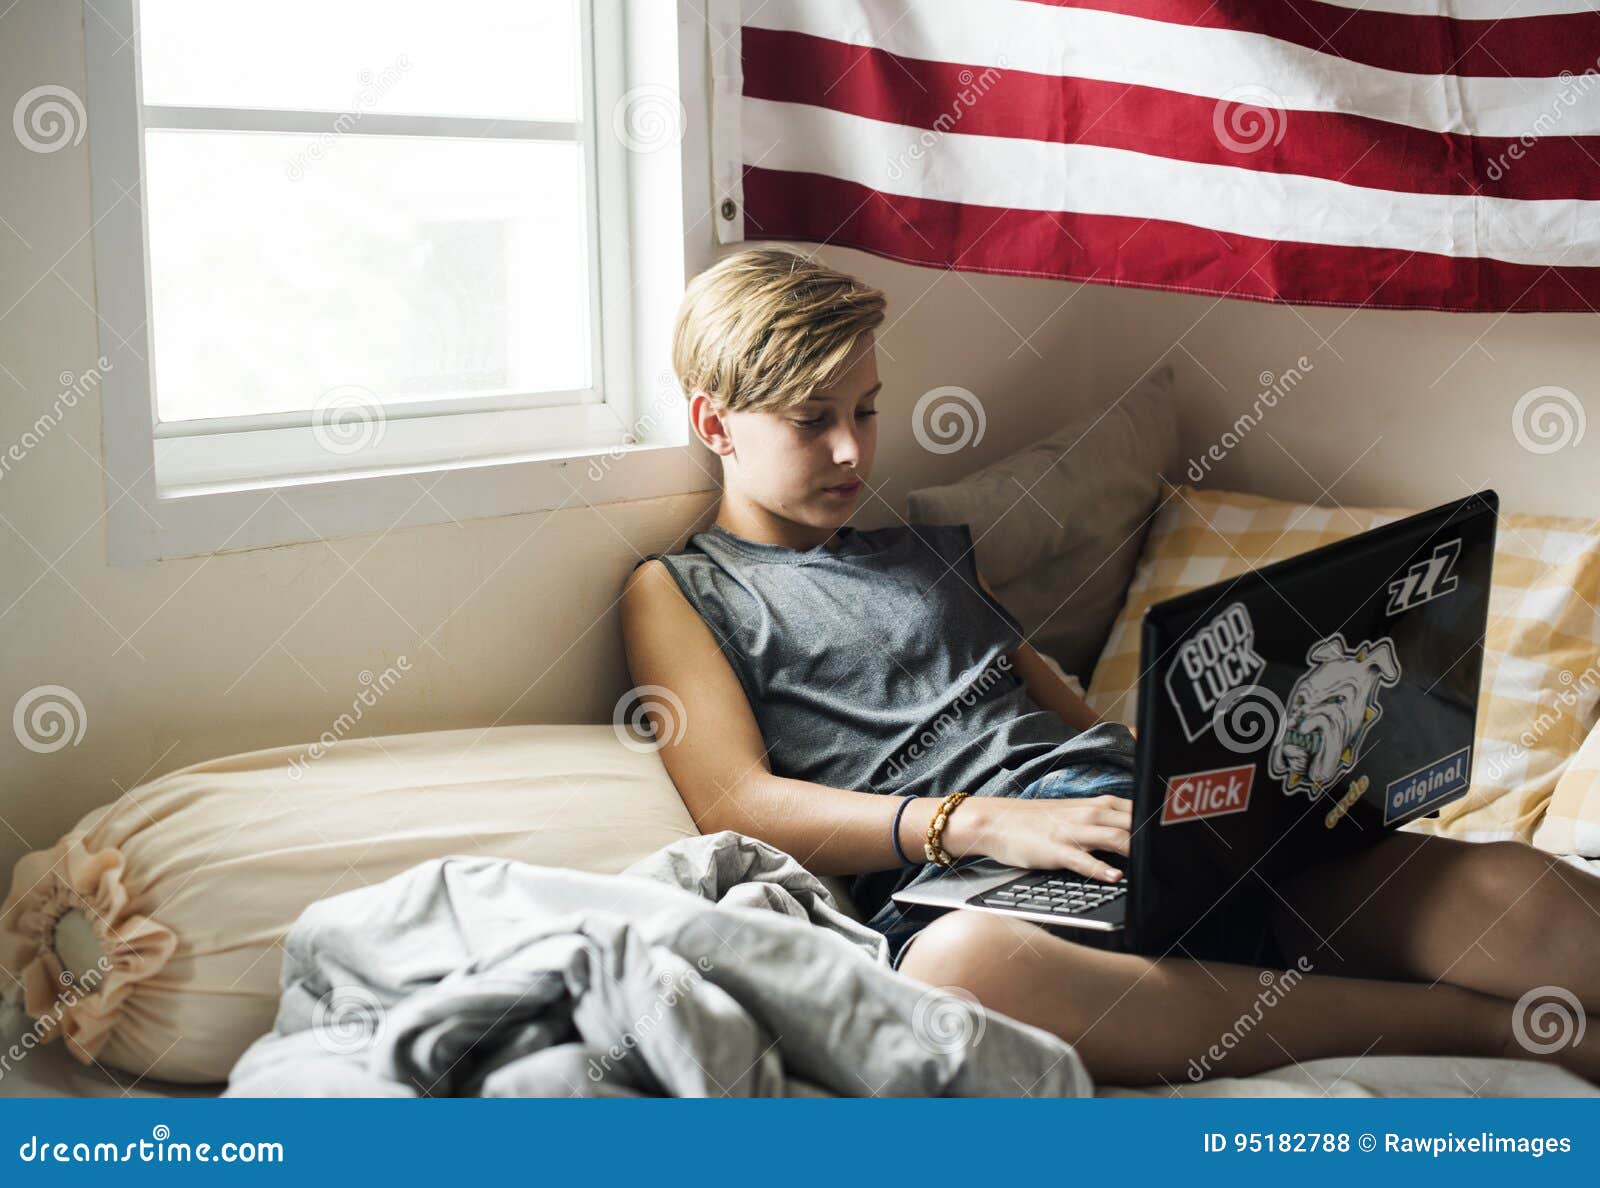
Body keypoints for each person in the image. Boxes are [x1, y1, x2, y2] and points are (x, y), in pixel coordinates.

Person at [619, 245, 1600, 1088]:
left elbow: (1084, 724)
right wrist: (978, 823)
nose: (850, 449)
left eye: (866, 411)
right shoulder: (683, 588)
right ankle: (1480, 1028)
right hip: (985, 880)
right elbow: (733, 802)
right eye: (810, 420)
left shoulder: (920, 554)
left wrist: (1232, 781)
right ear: (715, 426)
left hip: (1141, 827)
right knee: (959, 975)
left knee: (1512, 893)